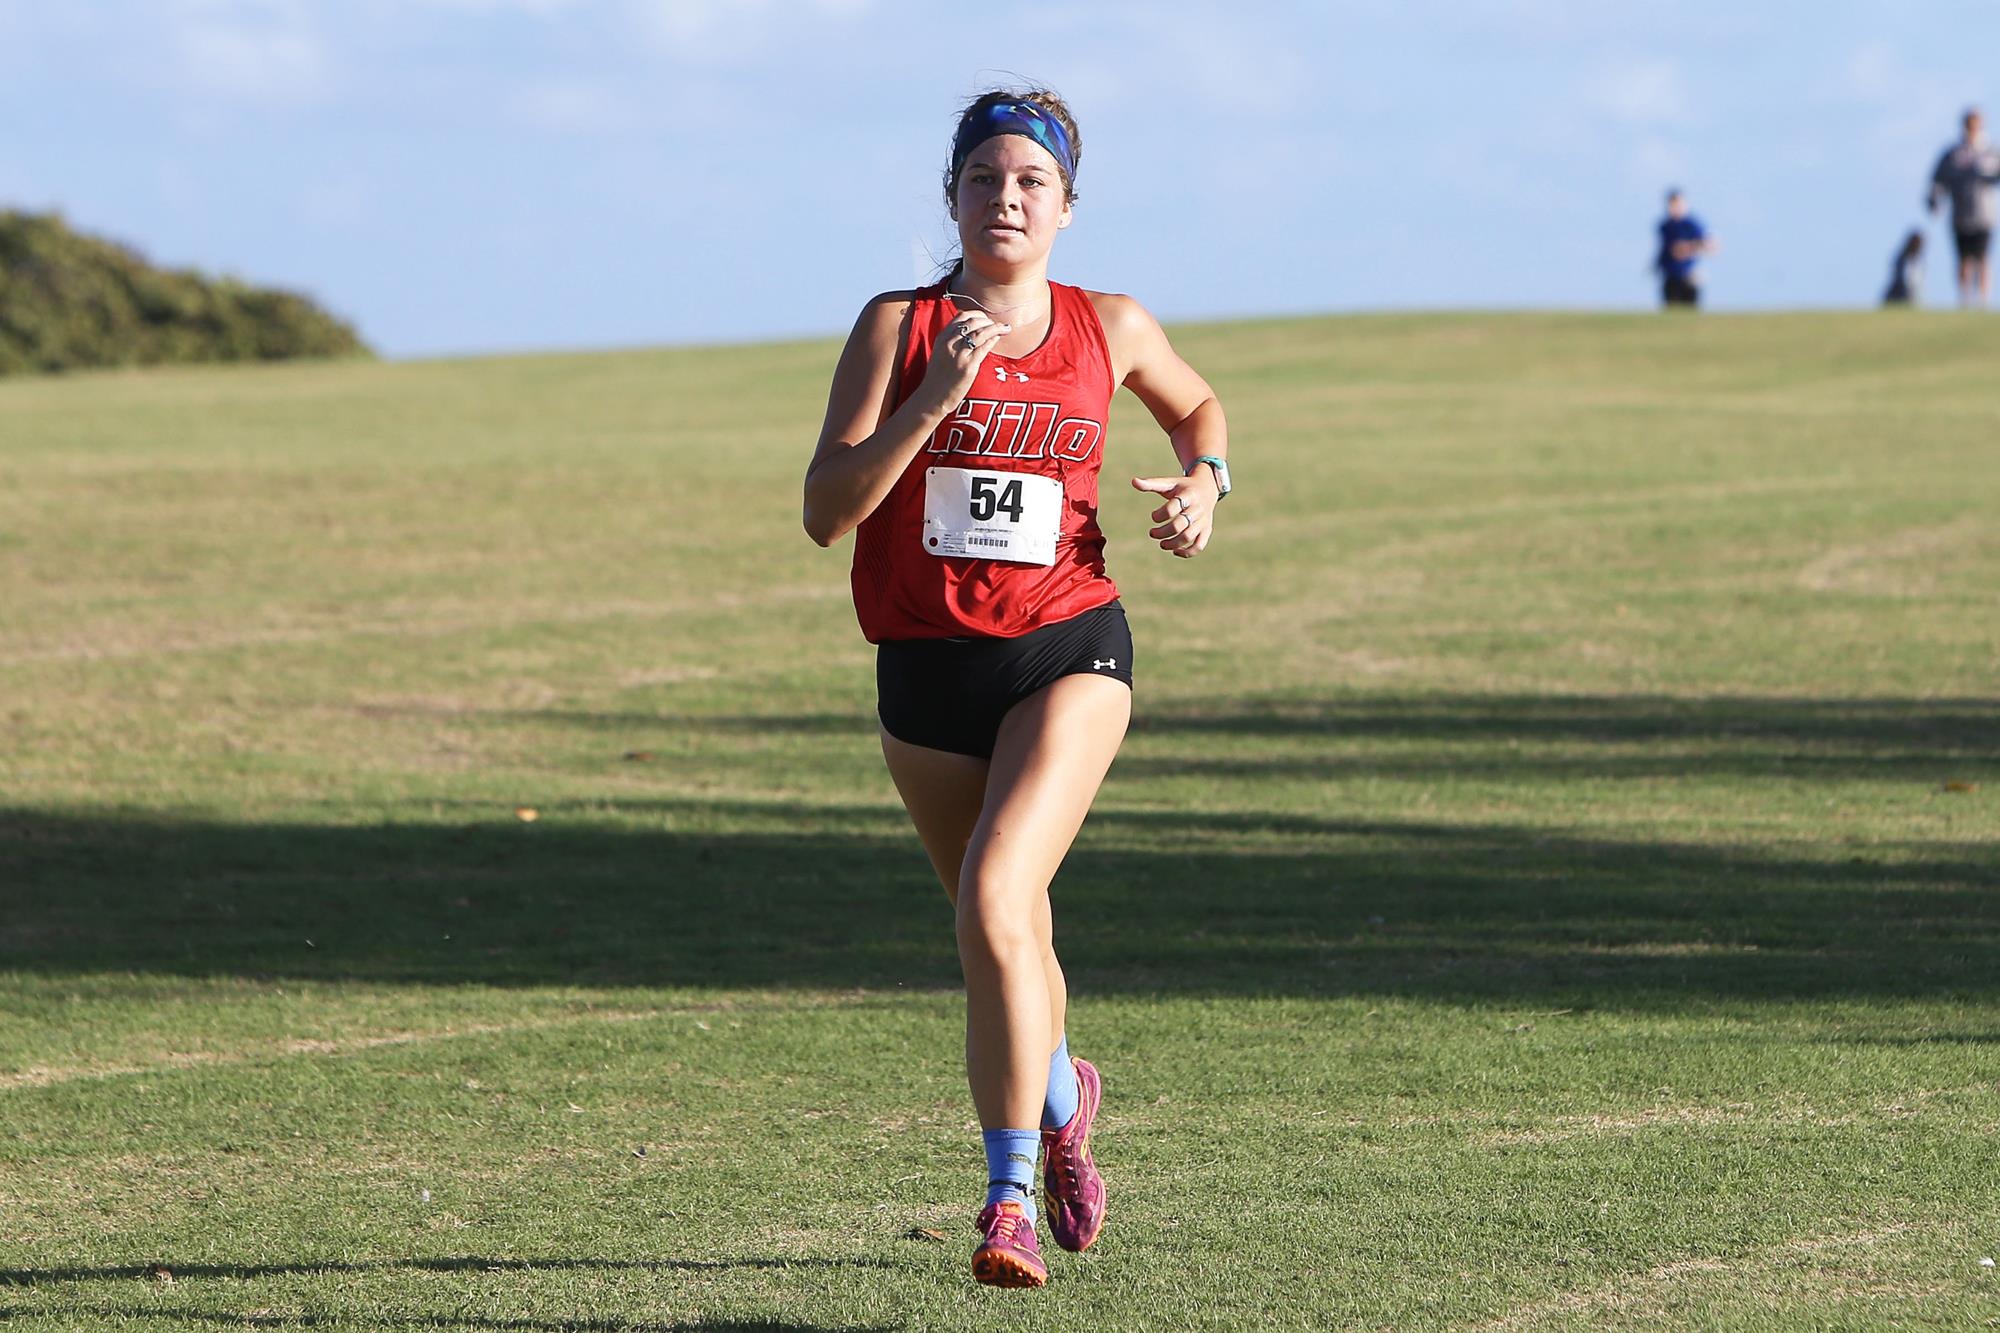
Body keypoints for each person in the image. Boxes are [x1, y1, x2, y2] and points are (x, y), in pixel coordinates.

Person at [802, 87, 1229, 1289]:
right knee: (1005, 934)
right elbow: (824, 512)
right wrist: (931, 396)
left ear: (1065, 208)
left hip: (1065, 646)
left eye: (1030, 182)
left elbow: (1196, 404)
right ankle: (1062, 1089)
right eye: (984, 178)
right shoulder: (898, 324)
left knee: (997, 890)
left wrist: (1208, 479)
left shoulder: (1109, 325)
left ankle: (1005, 1201)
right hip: (924, 671)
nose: (1006, 197)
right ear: (951, 198)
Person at [1927, 107, 2000, 307]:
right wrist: (1934, 199)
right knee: (1964, 260)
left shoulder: (1990, 151)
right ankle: (1965, 301)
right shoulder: (1953, 154)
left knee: (1983, 259)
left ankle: (1983, 302)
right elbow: (1938, 180)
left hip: (1984, 214)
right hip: (1960, 215)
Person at [1654, 188, 1716, 308]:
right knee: (1670, 312)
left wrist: (1688, 247)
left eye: (1677, 203)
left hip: (1689, 275)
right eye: (1672, 204)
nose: (1674, 207)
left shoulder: (1692, 224)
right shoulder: (1665, 226)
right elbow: (1664, 249)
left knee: (1689, 310)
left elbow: (1711, 245)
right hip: (1670, 275)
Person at [1882, 229, 1925, 307]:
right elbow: (1901, 281)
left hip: (1914, 297)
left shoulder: (1919, 261)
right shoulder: (1902, 260)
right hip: (1899, 296)